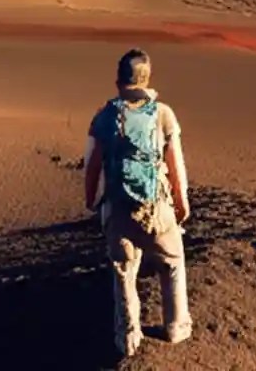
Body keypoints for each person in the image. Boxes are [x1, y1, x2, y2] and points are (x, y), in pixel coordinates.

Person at [83, 48, 192, 357]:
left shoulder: (104, 117)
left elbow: (91, 166)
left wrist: (92, 203)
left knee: (123, 271)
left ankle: (128, 337)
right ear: (147, 78)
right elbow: (175, 165)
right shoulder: (162, 114)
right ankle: (176, 326)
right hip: (155, 210)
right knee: (172, 262)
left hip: (117, 210)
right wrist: (182, 204)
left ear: (119, 80)